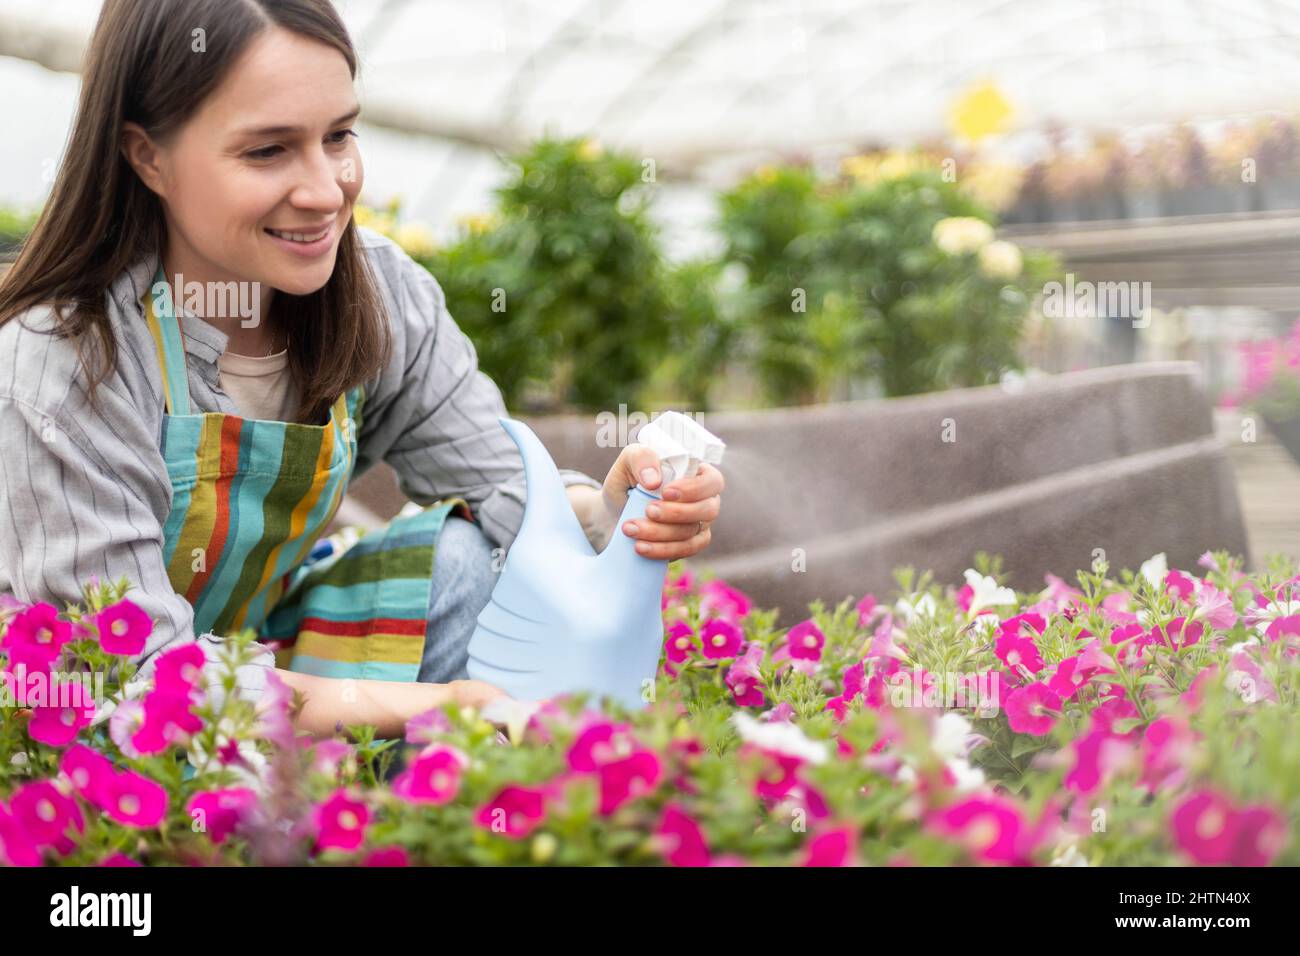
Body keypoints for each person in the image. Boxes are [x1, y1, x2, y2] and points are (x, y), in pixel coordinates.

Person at [0, 0, 724, 740]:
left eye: (339, 136)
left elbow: (503, 495)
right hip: (74, 705)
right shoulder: (68, 351)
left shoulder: (380, 294)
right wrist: (440, 708)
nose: (325, 191)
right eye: (267, 151)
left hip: (250, 652)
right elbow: (127, 673)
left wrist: (608, 512)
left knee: (467, 566)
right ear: (147, 155)